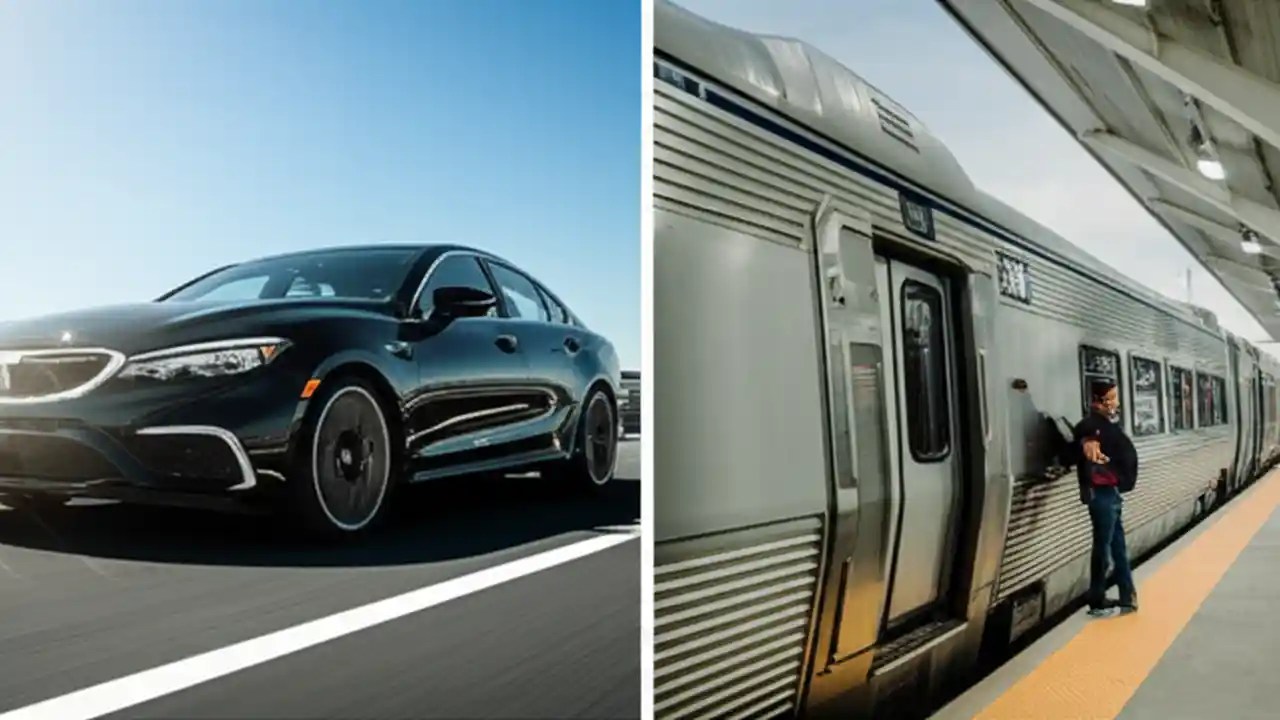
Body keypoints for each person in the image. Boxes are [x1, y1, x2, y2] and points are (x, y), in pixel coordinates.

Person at [1070, 380, 1139, 616]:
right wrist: (1087, 444)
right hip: (1101, 496)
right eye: (1113, 398)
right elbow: (1087, 440)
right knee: (1104, 549)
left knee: (1118, 548)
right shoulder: (1091, 426)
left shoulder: (1106, 425)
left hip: (1112, 495)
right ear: (1100, 401)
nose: (1116, 402)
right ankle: (1097, 598)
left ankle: (1128, 597)